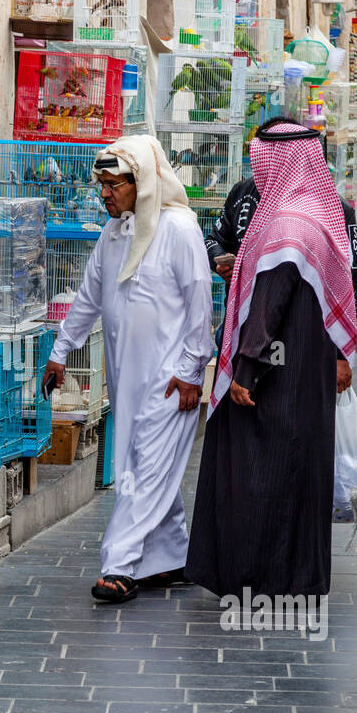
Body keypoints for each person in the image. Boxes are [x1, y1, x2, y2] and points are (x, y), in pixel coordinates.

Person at [185, 122, 357, 598]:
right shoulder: (315, 212)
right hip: (307, 366)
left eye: (261, 159)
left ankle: (256, 576)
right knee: (300, 470)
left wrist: (246, 368)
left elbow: (268, 302)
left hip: (275, 376)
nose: (256, 170)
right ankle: (297, 577)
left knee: (262, 472)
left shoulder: (286, 222)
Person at [43, 136, 214, 604]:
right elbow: (89, 297)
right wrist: (61, 351)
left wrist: (192, 369)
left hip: (171, 380)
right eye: (101, 184)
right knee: (144, 466)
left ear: (140, 182)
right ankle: (171, 556)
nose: (104, 194)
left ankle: (117, 565)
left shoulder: (178, 228)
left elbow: (201, 301)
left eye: (112, 184)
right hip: (127, 380)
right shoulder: (115, 233)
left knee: (145, 472)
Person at [205, 116, 357, 316]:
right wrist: (221, 263)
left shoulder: (335, 209)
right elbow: (213, 241)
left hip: (304, 327)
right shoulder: (242, 194)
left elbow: (349, 281)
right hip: (244, 318)